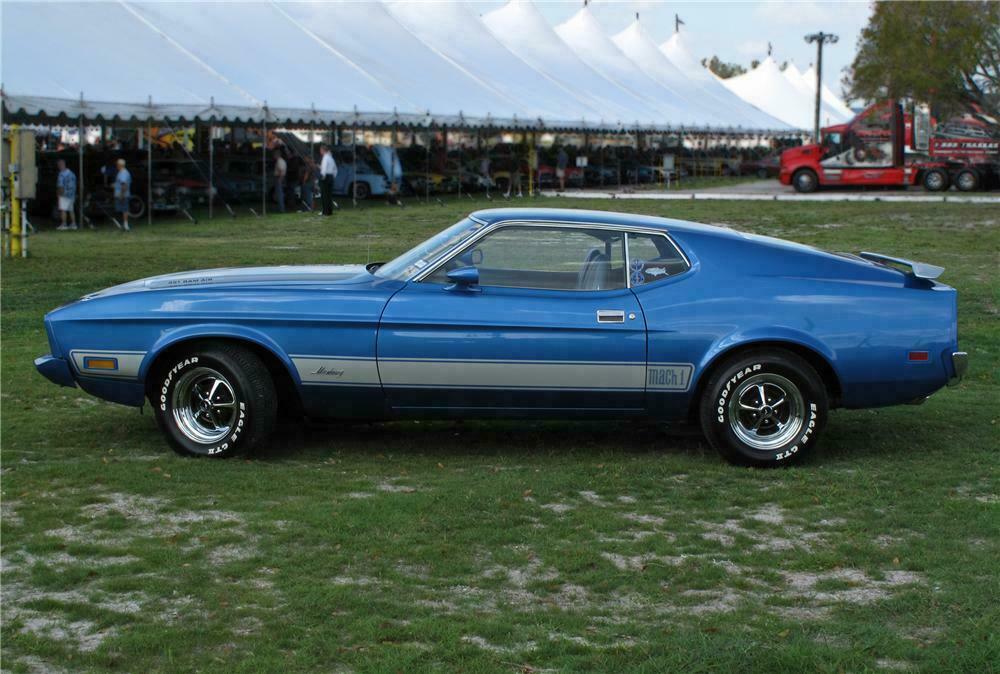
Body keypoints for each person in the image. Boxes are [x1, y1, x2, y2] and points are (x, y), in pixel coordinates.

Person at [55, 159, 78, 230]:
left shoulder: (61, 174)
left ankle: (64, 224)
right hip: (72, 194)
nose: (58, 167)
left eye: (59, 165)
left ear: (61, 165)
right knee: (71, 210)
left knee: (63, 209)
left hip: (64, 194)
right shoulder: (72, 173)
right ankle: (73, 224)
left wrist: (59, 194)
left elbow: (60, 185)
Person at [114, 158, 132, 231]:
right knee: (123, 209)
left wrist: (121, 195)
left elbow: (124, 185)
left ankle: (125, 225)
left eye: (117, 164)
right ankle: (123, 225)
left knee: (124, 209)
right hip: (122, 194)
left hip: (123, 195)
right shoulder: (122, 172)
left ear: (120, 165)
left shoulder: (123, 173)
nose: (116, 166)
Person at [319, 144, 337, 216]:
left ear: (323, 150)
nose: (320, 151)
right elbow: (335, 169)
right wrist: (333, 177)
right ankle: (329, 211)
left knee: (324, 195)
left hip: (325, 177)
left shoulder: (325, 158)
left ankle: (325, 211)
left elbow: (324, 168)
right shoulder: (331, 158)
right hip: (331, 177)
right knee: (329, 195)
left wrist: (323, 176)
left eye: (320, 150)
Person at [273, 148, 287, 213]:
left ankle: (281, 209)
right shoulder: (281, 161)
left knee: (279, 194)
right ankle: (280, 208)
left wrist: (280, 180)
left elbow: (281, 171)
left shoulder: (280, 161)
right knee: (279, 194)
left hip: (279, 178)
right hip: (279, 178)